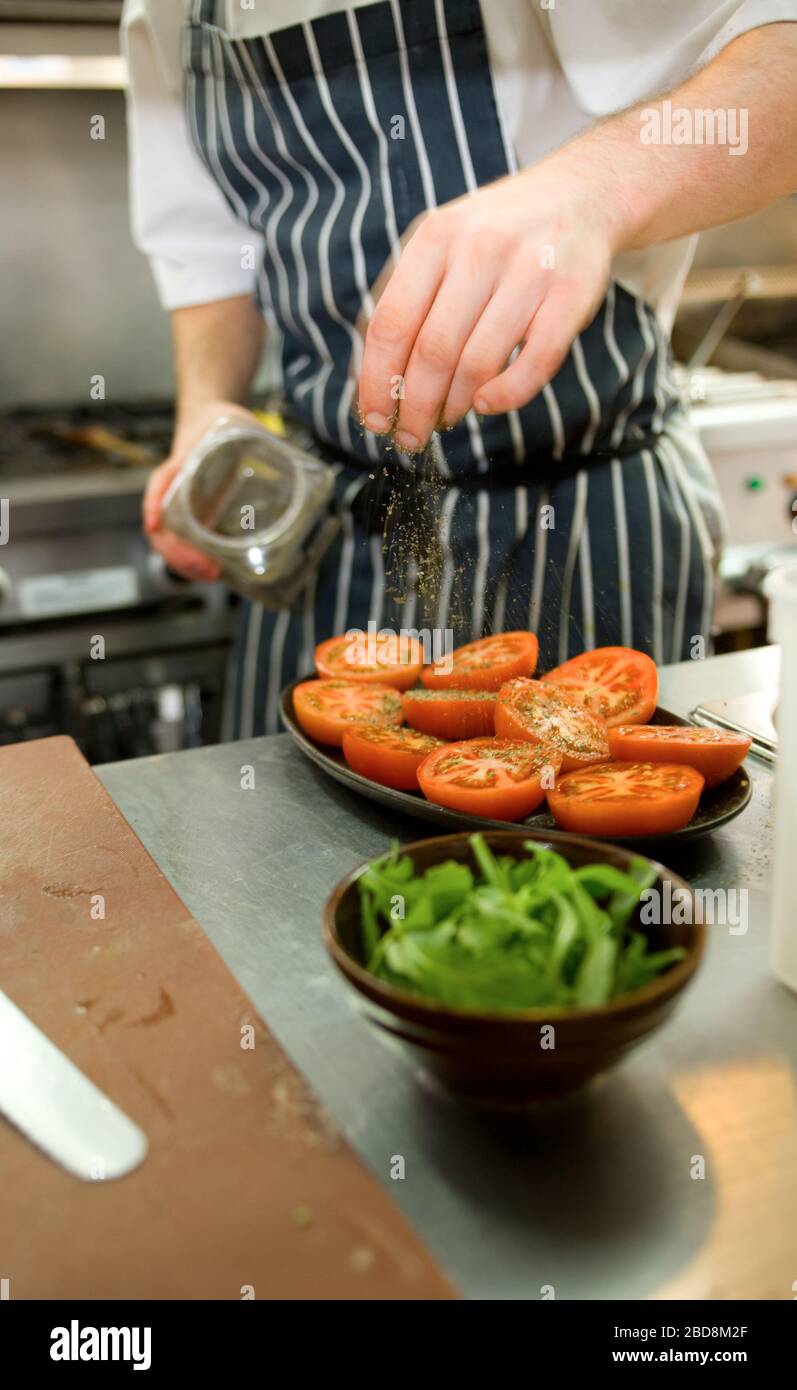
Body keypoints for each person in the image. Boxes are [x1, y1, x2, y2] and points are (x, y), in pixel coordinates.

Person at [122, 0, 797, 736]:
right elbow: (205, 238)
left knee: (554, 843)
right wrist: (205, 408)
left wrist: (585, 193)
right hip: (326, 534)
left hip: (575, 522)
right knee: (284, 841)